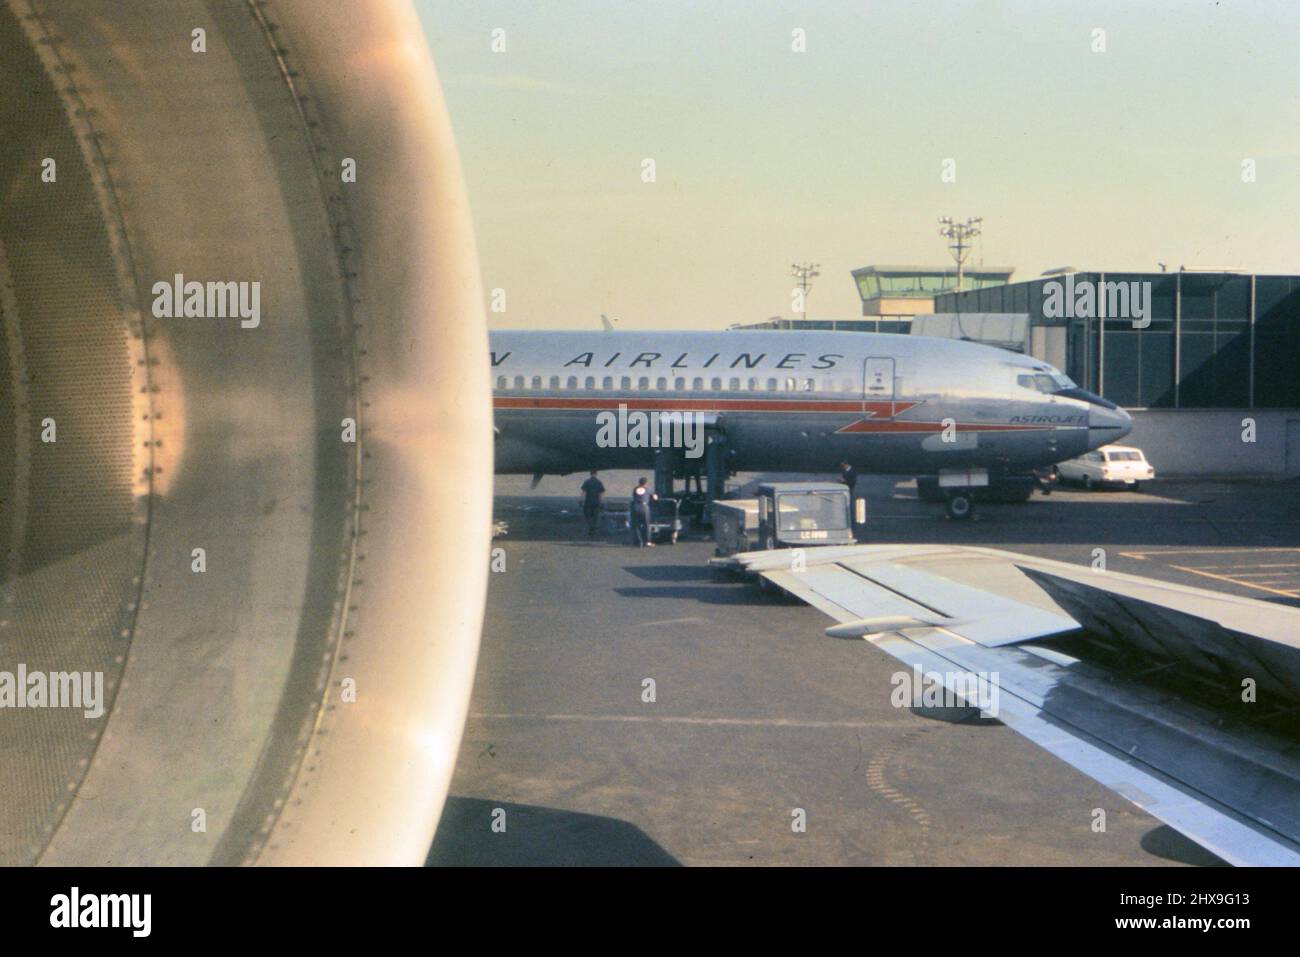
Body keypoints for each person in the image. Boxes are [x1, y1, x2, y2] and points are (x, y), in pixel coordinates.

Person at [630, 476, 657, 547]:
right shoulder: (648, 489)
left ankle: (639, 542)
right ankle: (647, 541)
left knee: (636, 525)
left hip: (635, 507)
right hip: (644, 507)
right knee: (646, 525)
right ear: (646, 483)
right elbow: (655, 498)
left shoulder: (635, 489)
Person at [578, 470, 605, 537]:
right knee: (595, 516)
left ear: (590, 474)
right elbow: (600, 494)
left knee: (587, 515)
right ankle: (593, 527)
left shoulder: (587, 482)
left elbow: (584, 492)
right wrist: (601, 502)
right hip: (596, 502)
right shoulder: (599, 482)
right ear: (596, 474)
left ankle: (591, 526)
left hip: (588, 502)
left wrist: (581, 500)